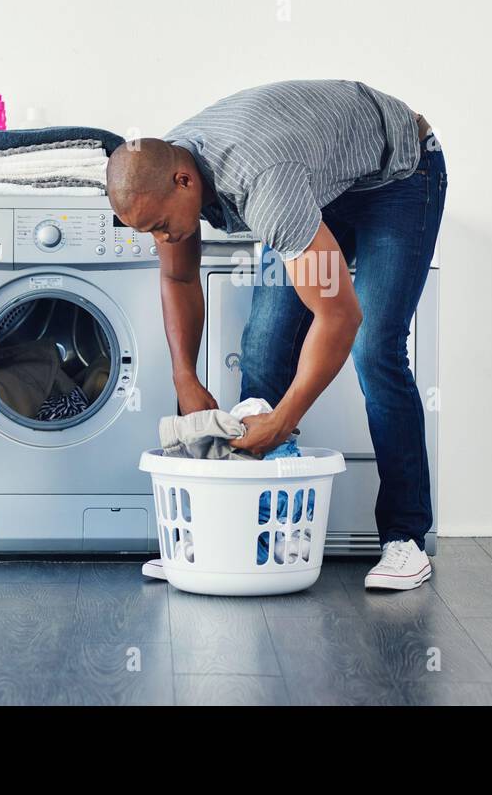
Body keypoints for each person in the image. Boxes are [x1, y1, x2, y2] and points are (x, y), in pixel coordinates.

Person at [107, 79, 446, 591]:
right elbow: (177, 276)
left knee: (375, 346)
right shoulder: (166, 168)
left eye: (159, 225)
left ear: (184, 183)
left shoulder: (263, 183)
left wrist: (284, 420)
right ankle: (252, 532)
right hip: (318, 184)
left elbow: (339, 317)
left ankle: (406, 538)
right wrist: (184, 377)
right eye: (146, 231)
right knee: (265, 347)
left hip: (397, 175)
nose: (160, 237)